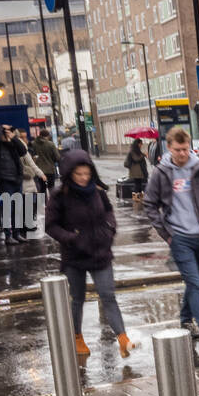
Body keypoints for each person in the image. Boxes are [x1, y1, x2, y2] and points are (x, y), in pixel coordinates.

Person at [45, 149, 138, 359]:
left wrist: (109, 229)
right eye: (79, 174)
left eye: (87, 173)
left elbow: (108, 212)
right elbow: (50, 226)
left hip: (100, 252)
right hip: (75, 256)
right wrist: (71, 238)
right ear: (69, 174)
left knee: (108, 296)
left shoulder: (98, 191)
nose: (84, 178)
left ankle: (123, 339)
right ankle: (77, 337)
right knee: (77, 299)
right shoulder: (59, 196)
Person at [143, 126, 199, 347]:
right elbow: (150, 204)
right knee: (194, 281)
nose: (182, 154)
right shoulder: (161, 173)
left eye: (185, 149)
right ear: (169, 148)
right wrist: (166, 233)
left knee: (194, 280)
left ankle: (185, 318)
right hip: (179, 237)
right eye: (178, 149)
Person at [0, 123, 29, 244]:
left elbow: (23, 151)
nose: (8, 131)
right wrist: (1, 132)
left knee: (17, 208)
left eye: (10, 129)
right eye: (6, 130)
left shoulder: (13, 144)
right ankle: (8, 235)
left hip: (17, 179)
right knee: (7, 208)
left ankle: (17, 233)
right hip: (5, 179)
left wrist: (14, 137)